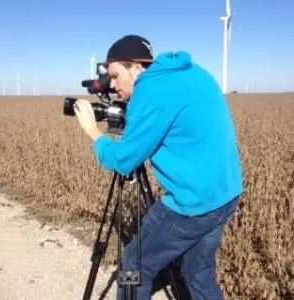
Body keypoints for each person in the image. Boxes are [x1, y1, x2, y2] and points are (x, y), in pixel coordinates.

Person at [74, 34, 243, 300]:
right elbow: (172, 118)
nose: (113, 85)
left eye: (115, 75)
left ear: (136, 66)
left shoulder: (151, 90)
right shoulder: (191, 72)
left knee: (134, 264)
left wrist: (94, 133)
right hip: (225, 195)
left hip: (192, 205)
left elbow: (122, 161)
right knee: (198, 273)